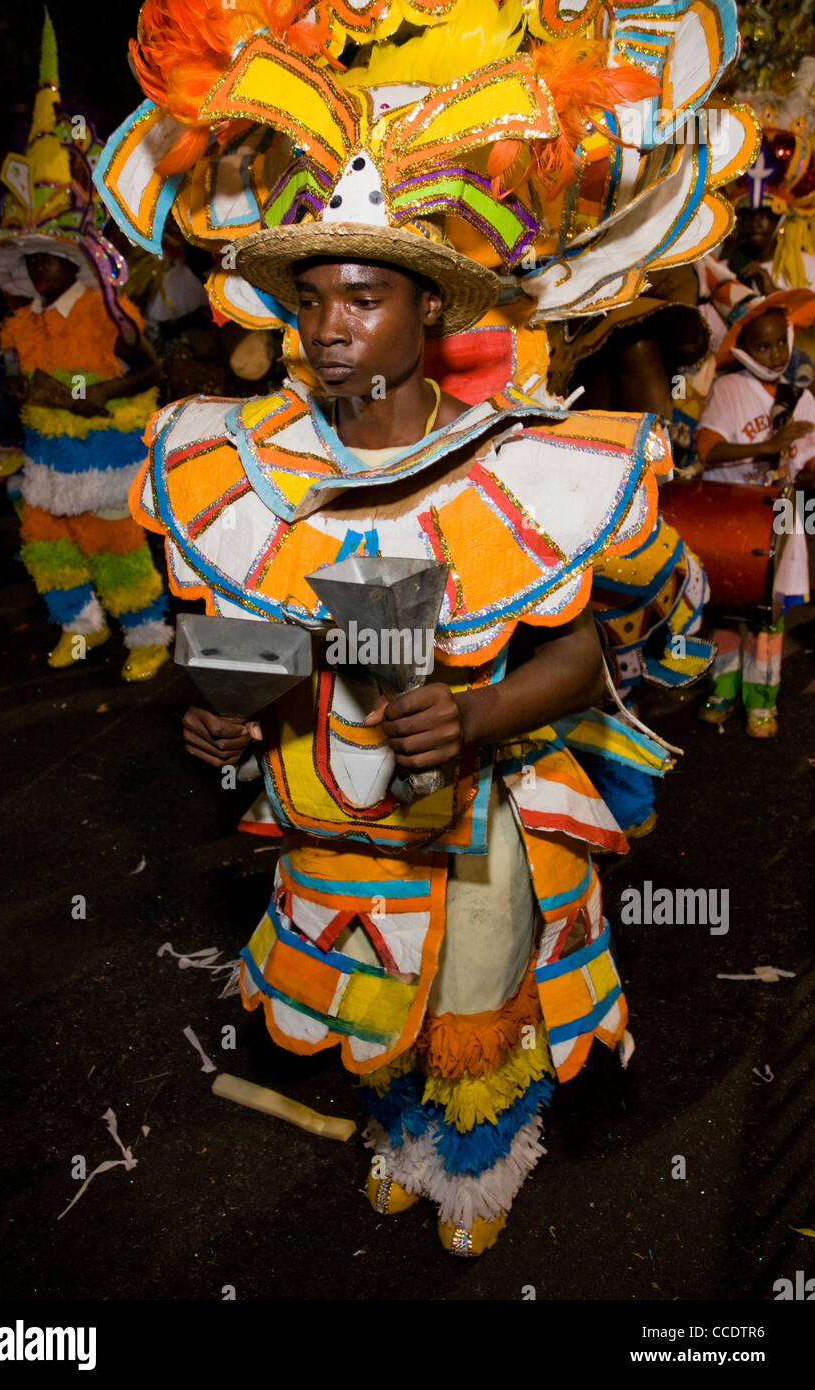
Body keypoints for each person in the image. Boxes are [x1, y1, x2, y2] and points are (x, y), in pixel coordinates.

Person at [98, 0, 749, 1255]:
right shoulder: (244, 466)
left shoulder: (517, 470)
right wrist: (225, 721)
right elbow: (259, 648)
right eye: (313, 299)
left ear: (423, 319)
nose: (332, 325)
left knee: (473, 1004)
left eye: (363, 299)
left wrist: (479, 710)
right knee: (365, 994)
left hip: (470, 817)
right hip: (328, 818)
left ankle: (474, 1169)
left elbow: (578, 658)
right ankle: (403, 1134)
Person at [0, 14, 173, 680]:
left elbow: (151, 370)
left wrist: (82, 393)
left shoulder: (106, 311)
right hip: (43, 456)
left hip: (101, 454)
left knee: (113, 548)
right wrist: (26, 396)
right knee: (48, 550)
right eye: (30, 261)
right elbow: (24, 386)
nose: (37, 272)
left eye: (48, 260)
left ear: (76, 262)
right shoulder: (23, 321)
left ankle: (147, 636)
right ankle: (80, 631)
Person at [694, 292, 815, 737]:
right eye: (762, 347)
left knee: (769, 618)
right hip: (732, 518)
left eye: (779, 344)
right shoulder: (729, 389)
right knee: (727, 613)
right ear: (744, 349)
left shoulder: (801, 398)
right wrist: (765, 446)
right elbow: (707, 449)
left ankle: (761, 705)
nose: (775, 354)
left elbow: (808, 463)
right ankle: (722, 691)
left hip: (780, 517)